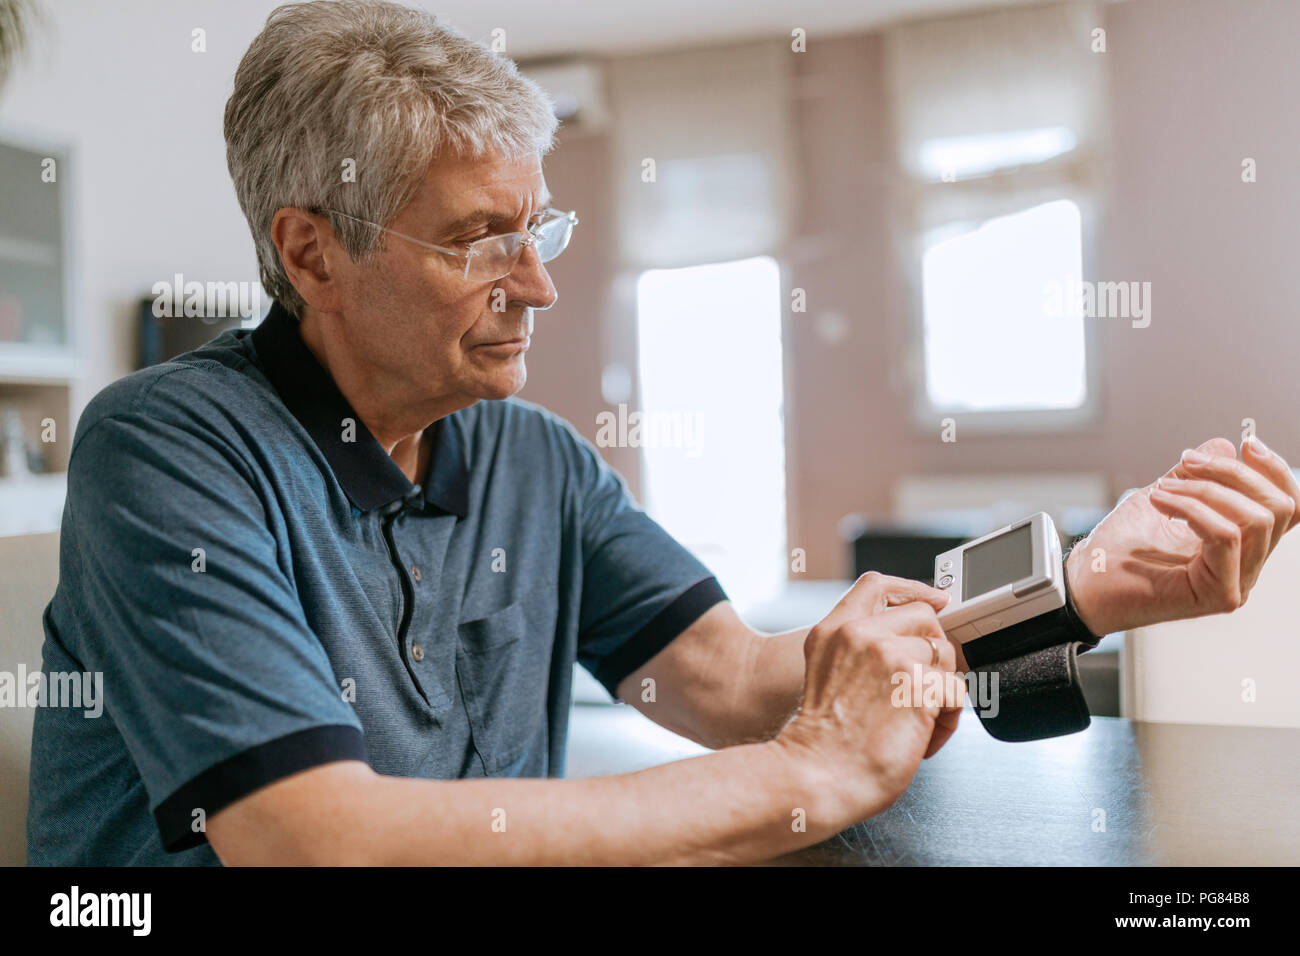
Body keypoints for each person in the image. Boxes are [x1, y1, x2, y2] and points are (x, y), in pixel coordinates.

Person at [27, 0, 1300, 865]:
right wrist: (810, 775)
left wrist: (1076, 588)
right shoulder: (169, 449)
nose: (537, 287)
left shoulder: (533, 461)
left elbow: (735, 685)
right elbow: (311, 837)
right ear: (313, 252)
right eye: (482, 241)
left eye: (543, 231)